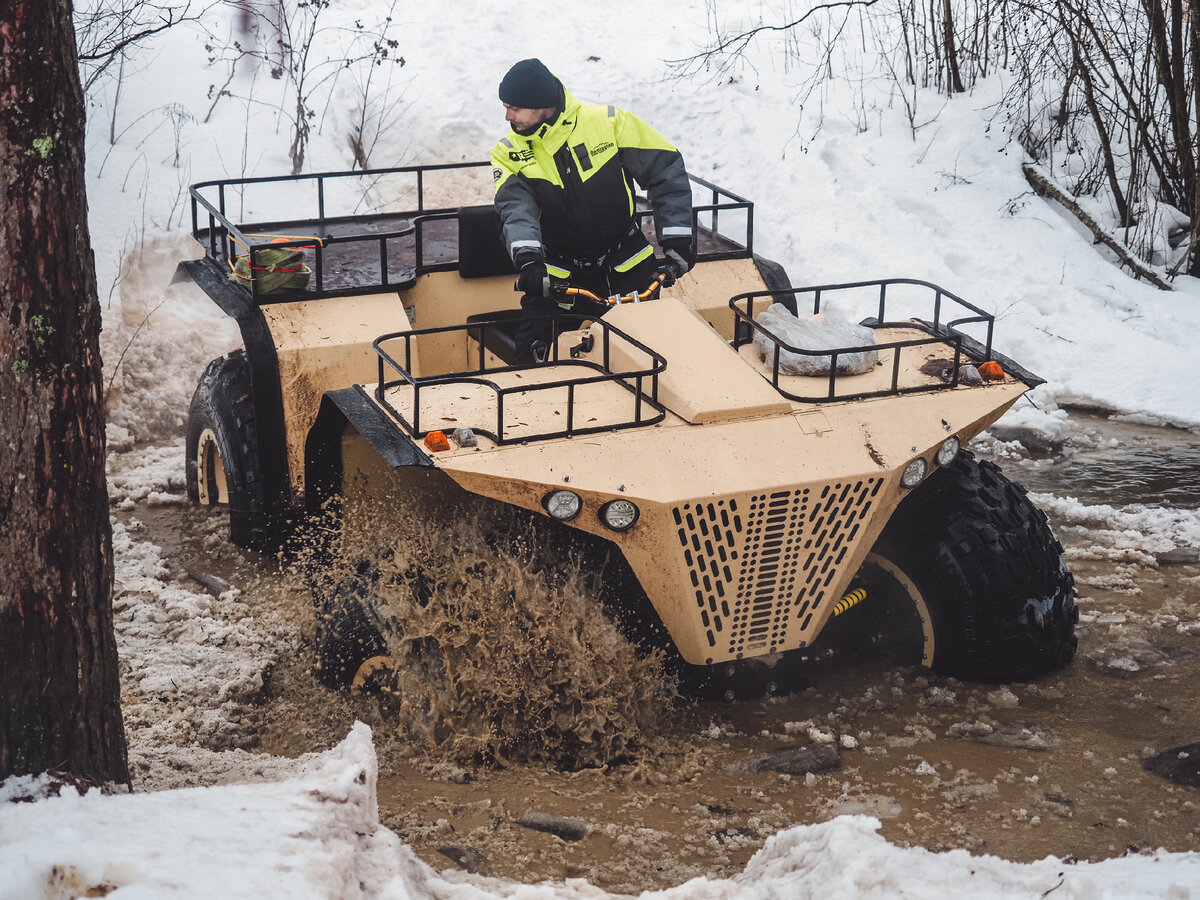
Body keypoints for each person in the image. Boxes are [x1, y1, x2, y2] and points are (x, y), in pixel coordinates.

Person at [490, 58, 694, 362]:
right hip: (558, 278)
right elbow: (516, 212)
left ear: (541, 104)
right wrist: (530, 262)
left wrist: (677, 243)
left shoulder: (610, 123)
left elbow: (666, 171)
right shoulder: (508, 153)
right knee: (531, 366)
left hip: (629, 268)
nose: (507, 116)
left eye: (514, 107)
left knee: (655, 358)